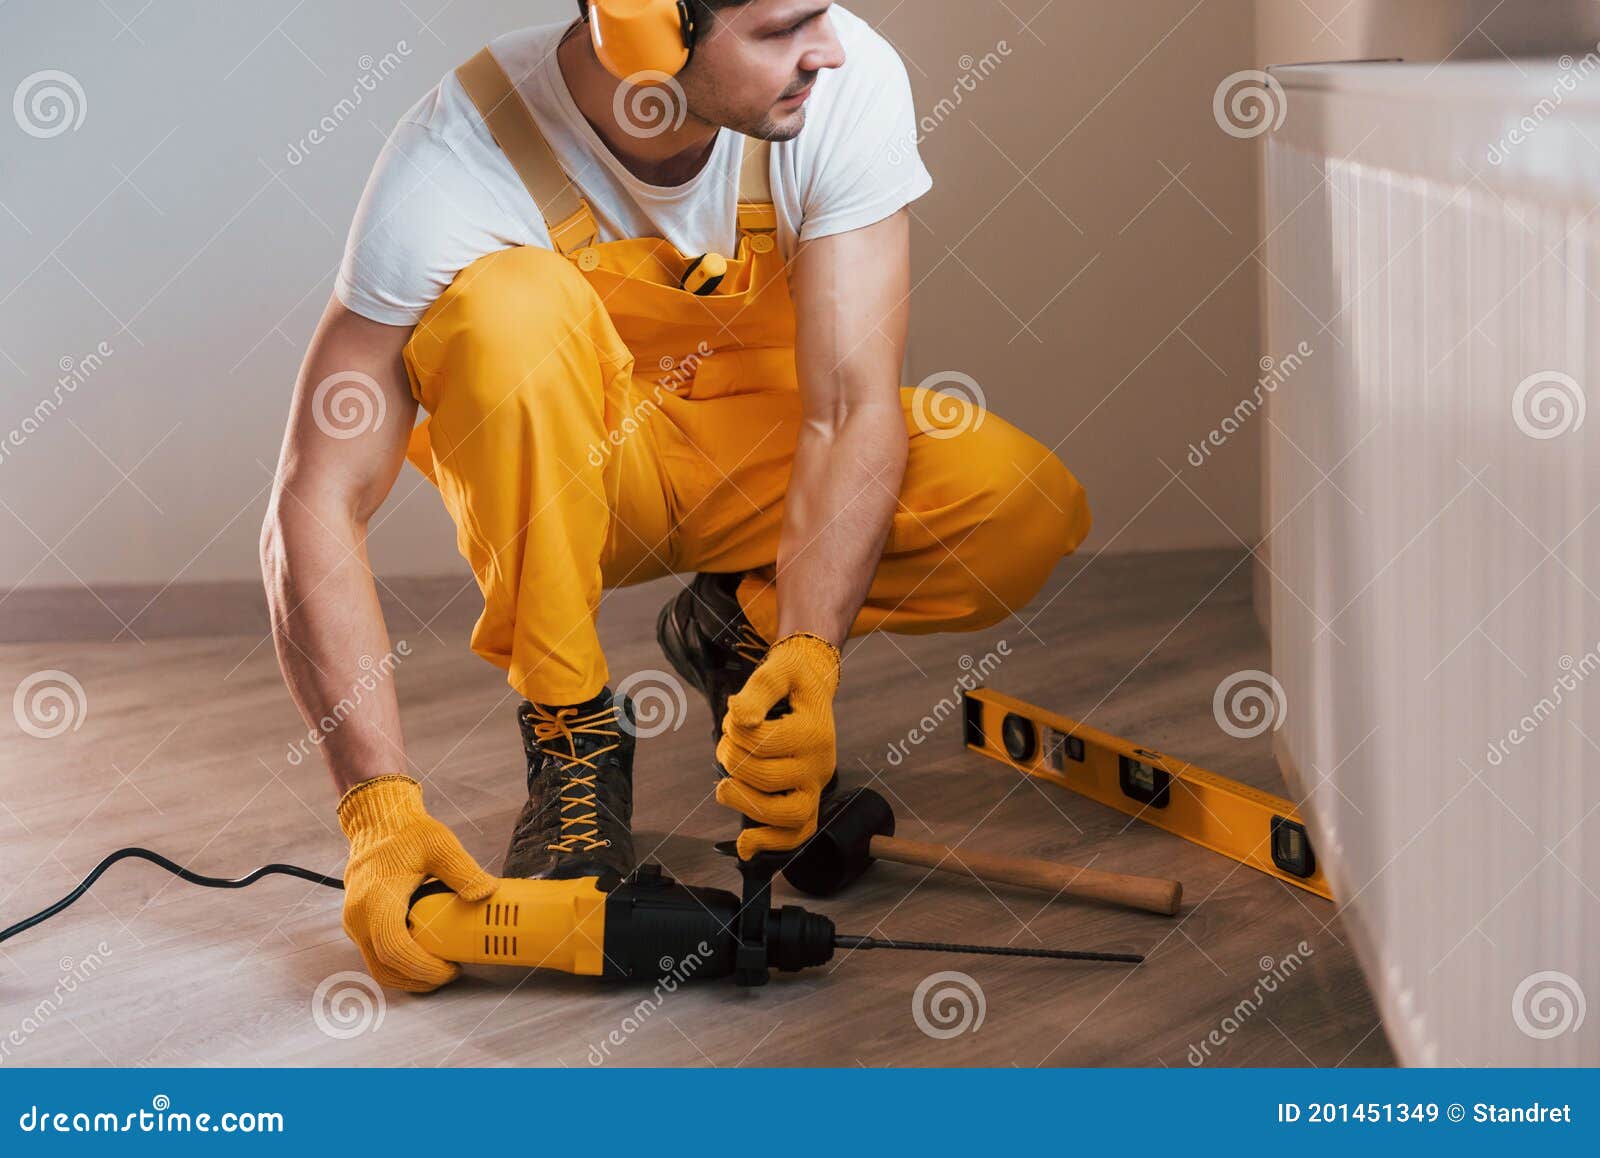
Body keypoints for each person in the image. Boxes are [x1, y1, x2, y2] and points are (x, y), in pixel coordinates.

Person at [261, 0, 1091, 992]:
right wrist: (378, 814)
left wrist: (807, 652)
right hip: (582, 493)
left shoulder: (839, 86)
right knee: (506, 310)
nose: (822, 49)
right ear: (647, 27)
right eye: (781, 27)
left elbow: (848, 406)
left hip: (762, 462)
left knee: (1012, 502)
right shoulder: (458, 155)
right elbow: (312, 500)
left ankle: (736, 638)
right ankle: (573, 741)